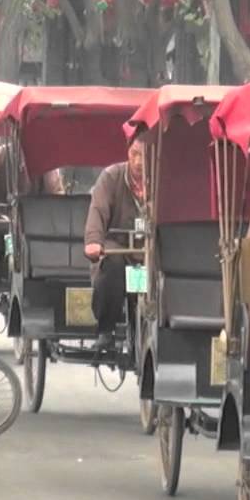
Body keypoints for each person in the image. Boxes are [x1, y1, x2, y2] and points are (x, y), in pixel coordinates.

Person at [0, 143, 65, 292]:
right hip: (3, 213)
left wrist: (60, 217)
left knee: (46, 245)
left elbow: (55, 192)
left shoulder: (46, 159)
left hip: (35, 217)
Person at [83, 137, 145, 350]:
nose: (138, 161)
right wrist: (93, 241)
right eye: (134, 153)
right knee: (113, 264)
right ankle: (106, 330)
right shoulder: (112, 176)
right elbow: (97, 210)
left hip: (150, 247)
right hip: (118, 244)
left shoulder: (161, 180)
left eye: (144, 156)